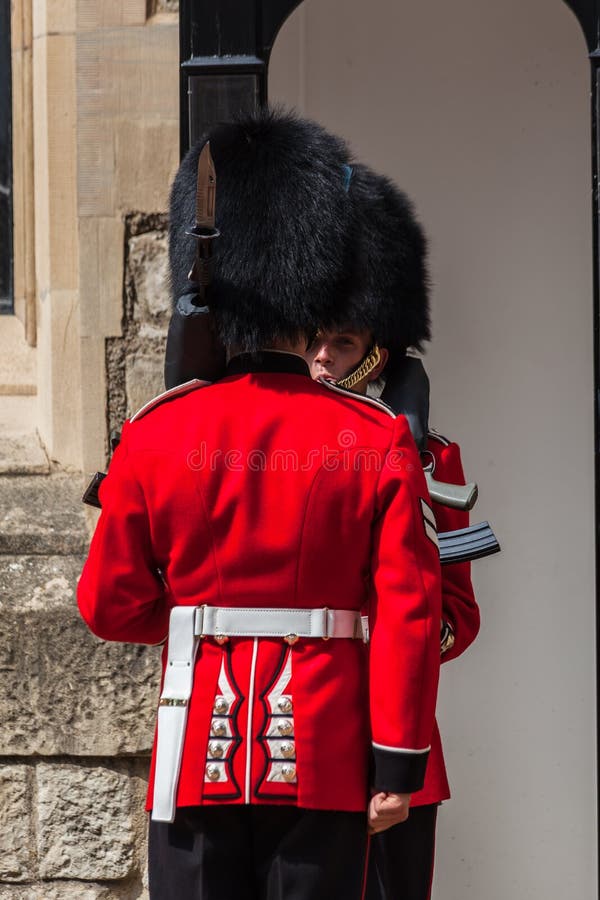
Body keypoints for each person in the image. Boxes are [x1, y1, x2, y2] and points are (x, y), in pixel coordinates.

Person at [77, 109, 442, 900]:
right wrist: (398, 760)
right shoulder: (372, 437)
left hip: (193, 743)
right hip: (327, 750)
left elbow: (108, 605)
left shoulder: (154, 433)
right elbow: (410, 613)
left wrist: (195, 616)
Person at [304, 164, 480, 900]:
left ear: (377, 353)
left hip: (394, 737)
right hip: (300, 725)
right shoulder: (269, 453)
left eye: (340, 344)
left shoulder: (433, 458)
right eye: (312, 339)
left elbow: (457, 619)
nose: (320, 359)